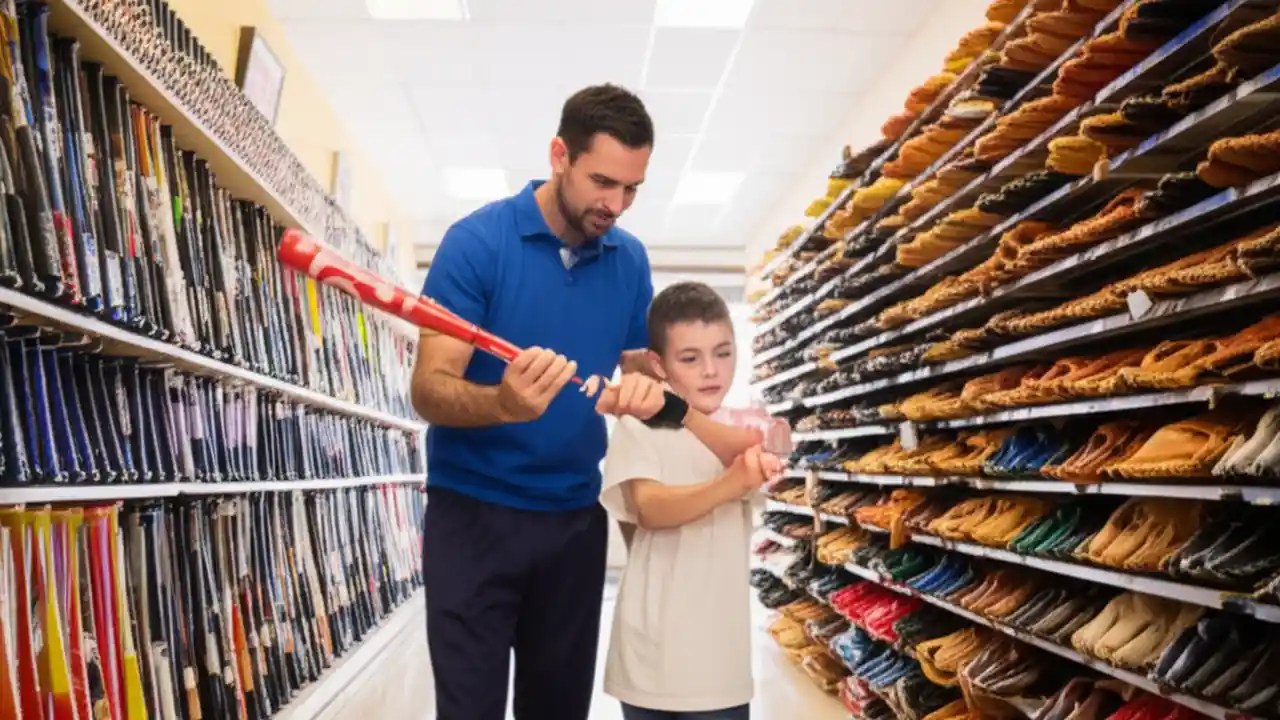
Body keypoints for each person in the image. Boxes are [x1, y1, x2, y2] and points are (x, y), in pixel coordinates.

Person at [410, 85, 763, 720]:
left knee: (559, 710)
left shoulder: (628, 261)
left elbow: (643, 374)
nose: (616, 205)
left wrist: (653, 392)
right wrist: (503, 404)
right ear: (559, 156)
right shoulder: (476, 244)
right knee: (469, 709)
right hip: (473, 519)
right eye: (603, 182)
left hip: (573, 522)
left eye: (631, 189)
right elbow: (429, 387)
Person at [600, 282, 784, 720]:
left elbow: (777, 440)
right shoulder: (637, 428)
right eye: (690, 358)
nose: (711, 371)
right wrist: (731, 483)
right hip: (648, 658)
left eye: (723, 352)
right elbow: (650, 508)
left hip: (718, 665)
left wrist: (681, 413)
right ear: (659, 365)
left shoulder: (749, 431)